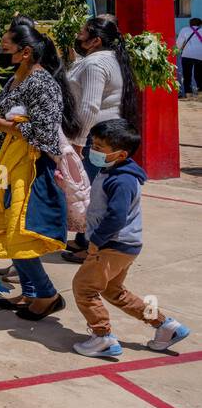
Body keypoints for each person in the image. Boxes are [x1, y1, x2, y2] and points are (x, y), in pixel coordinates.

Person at [0, 22, 78, 321]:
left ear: (26, 52)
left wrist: (3, 125)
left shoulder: (42, 83)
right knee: (7, 225)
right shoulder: (15, 79)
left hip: (30, 168)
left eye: (6, 44)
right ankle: (31, 292)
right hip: (6, 164)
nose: (0, 48)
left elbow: (46, 133)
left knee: (21, 231)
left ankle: (47, 294)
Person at [71, 119, 190, 358]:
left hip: (112, 245)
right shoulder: (113, 170)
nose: (93, 150)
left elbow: (116, 216)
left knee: (84, 288)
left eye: (99, 147)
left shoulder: (121, 180)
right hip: (125, 246)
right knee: (115, 292)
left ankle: (102, 336)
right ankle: (165, 326)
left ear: (121, 154)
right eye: (93, 144)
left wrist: (96, 241)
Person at [63, 14, 140, 263]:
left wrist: (78, 140)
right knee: (93, 189)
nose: (78, 35)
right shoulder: (110, 59)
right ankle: (85, 238)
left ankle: (91, 244)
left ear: (95, 40)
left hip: (94, 137)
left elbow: (89, 107)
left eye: (83, 32)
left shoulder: (96, 63)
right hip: (104, 135)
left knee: (90, 192)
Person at [176, 17, 202, 97]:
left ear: (190, 24)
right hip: (200, 55)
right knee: (199, 75)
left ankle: (188, 94)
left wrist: (178, 50)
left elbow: (179, 43)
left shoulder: (184, 30)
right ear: (200, 24)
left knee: (187, 75)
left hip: (187, 55)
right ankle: (201, 94)